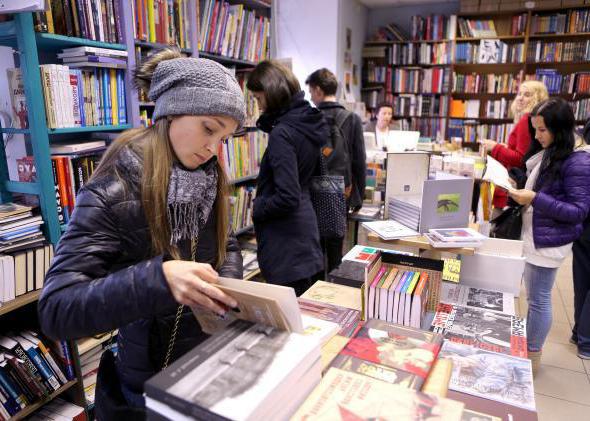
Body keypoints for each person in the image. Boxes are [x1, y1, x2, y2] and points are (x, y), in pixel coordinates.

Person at [38, 49, 245, 416]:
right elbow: (56, 310)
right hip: (149, 378)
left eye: (225, 138)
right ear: (170, 112)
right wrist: (159, 279)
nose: (214, 149)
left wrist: (227, 289)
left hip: (207, 362)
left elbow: (224, 242)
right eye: (210, 129)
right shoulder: (111, 190)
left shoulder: (206, 180)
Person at [507, 98, 590, 374]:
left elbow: (578, 210)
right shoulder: (554, 150)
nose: (537, 135)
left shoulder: (577, 161)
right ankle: (529, 349)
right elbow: (544, 184)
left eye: (542, 130)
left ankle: (532, 356)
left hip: (549, 241)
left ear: (560, 128)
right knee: (533, 297)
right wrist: (519, 184)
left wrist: (534, 198)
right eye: (535, 129)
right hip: (537, 235)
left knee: (540, 298)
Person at [247, 60, 326, 296]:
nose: (259, 107)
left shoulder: (283, 132)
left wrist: (258, 207)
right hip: (305, 235)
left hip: (286, 243)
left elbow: (287, 196)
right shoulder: (306, 122)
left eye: (259, 99)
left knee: (288, 323)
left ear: (272, 93)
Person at [306, 68, 366, 273]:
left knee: (313, 250)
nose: (311, 97)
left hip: (311, 194)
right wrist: (359, 197)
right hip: (341, 194)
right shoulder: (352, 119)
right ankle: (333, 289)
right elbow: (359, 162)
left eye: (311, 92)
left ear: (318, 90)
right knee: (335, 253)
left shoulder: (308, 118)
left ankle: (313, 295)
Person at [482, 80, 549, 215]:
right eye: (519, 93)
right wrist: (504, 147)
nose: (520, 98)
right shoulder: (529, 120)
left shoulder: (526, 119)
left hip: (513, 184)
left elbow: (520, 158)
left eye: (527, 94)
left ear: (538, 98)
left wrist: (495, 147)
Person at [571, 118, 590, 359]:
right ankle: (586, 342)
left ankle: (579, 332)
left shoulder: (581, 156)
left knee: (582, 280)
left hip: (582, 226)